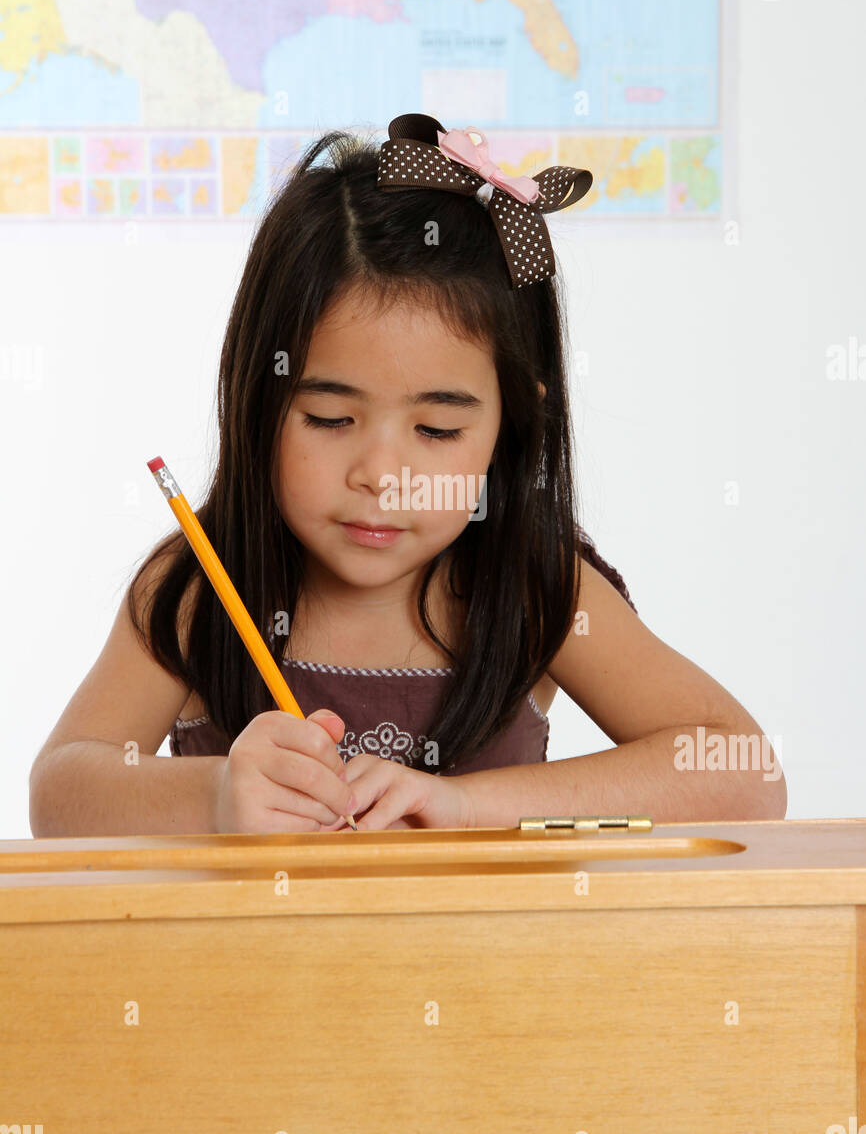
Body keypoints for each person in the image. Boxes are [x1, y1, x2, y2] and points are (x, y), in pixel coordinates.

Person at [29, 115, 785, 836]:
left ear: (511, 426)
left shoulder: (530, 582)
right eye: (328, 418)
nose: (383, 476)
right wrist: (221, 792)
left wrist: (461, 806)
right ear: (259, 398)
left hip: (480, 973)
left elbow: (743, 773)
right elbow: (62, 791)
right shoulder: (198, 586)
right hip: (253, 974)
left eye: (437, 430)